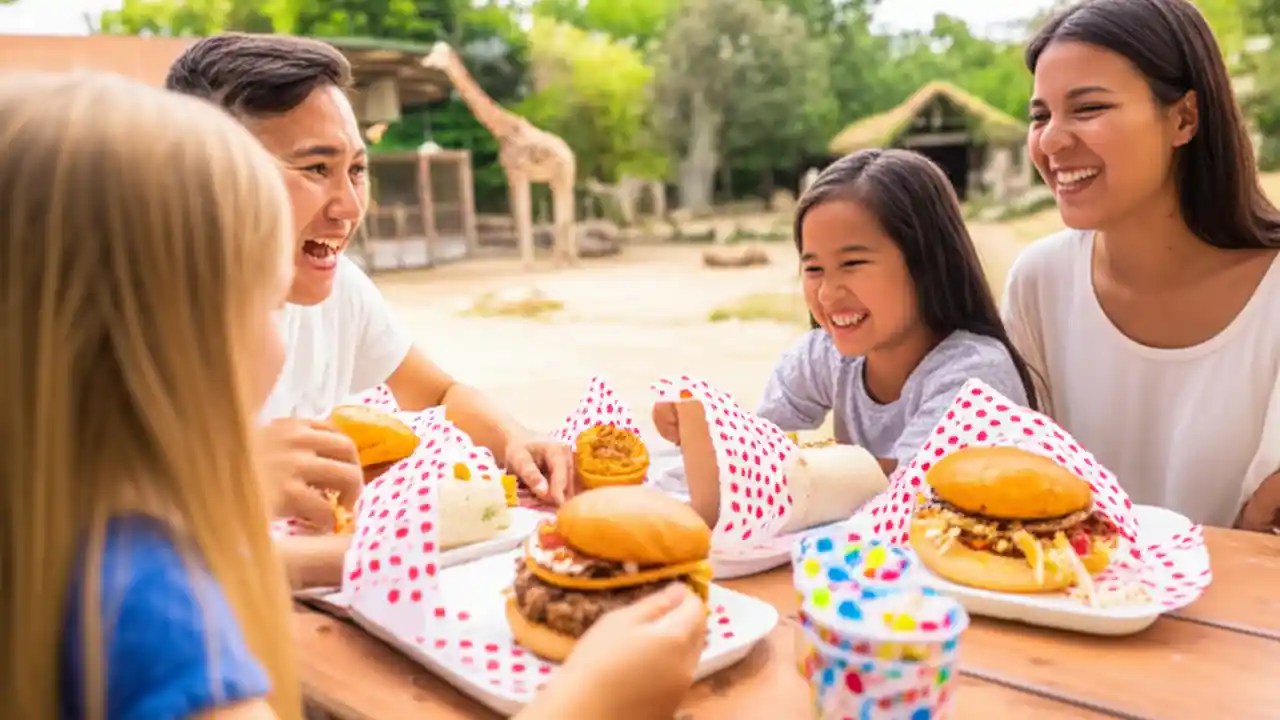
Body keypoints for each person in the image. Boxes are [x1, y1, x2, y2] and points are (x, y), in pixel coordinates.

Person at [0, 71, 706, 720]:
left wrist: (361, 549)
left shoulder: (61, 538)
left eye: (356, 170)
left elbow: (439, 390)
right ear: (160, 330)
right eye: (254, 292)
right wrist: (590, 702)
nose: (279, 332)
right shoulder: (152, 614)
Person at [162, 33, 575, 519]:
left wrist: (515, 438)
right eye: (317, 168)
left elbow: (439, 396)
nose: (351, 207)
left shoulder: (339, 288)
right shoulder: (131, 329)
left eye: (357, 170)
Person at [1005, 0, 1280, 530]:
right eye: (1040, 115)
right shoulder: (1039, 282)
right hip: (1065, 606)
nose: (1052, 140)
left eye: (1088, 109)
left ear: (1183, 117)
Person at [656, 149, 1039, 483]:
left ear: (927, 262)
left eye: (852, 263)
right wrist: (708, 431)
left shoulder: (975, 376)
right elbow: (760, 444)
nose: (827, 293)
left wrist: (778, 462)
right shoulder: (825, 356)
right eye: (814, 269)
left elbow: (909, 488)